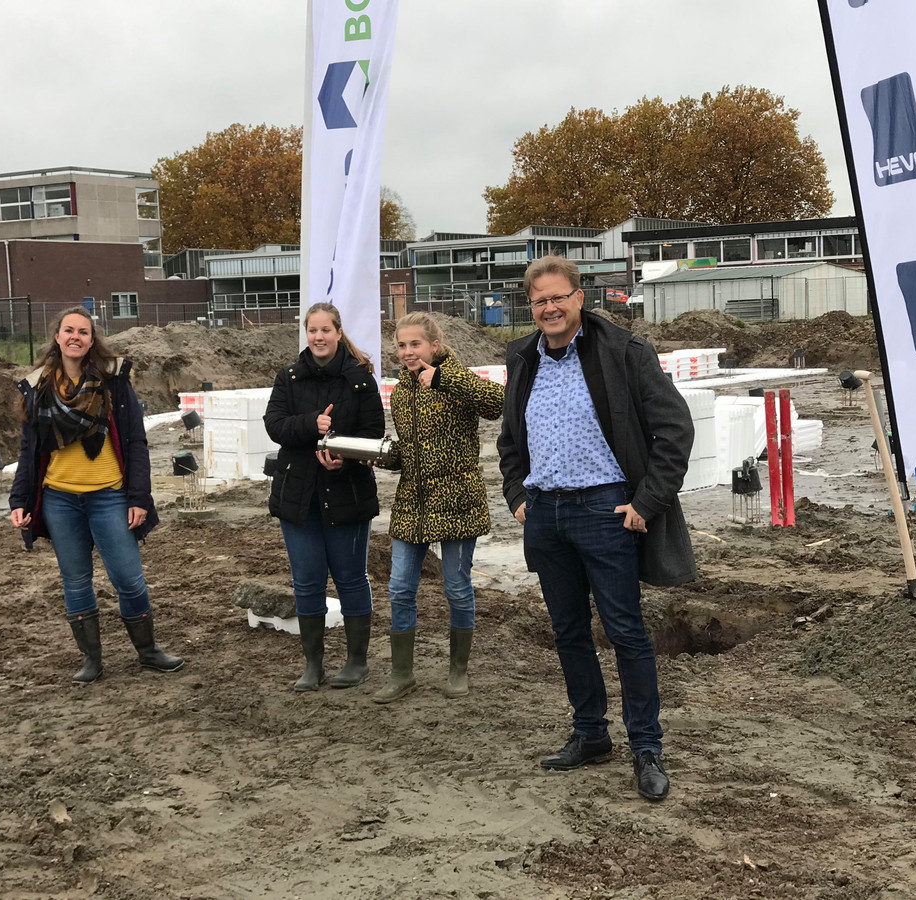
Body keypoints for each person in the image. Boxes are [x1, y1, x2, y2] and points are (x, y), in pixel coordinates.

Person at [497, 257, 696, 802]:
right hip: (545, 515)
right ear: (530, 306)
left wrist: (646, 503)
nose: (550, 308)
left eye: (558, 297)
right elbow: (510, 440)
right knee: (568, 632)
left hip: (606, 512)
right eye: (539, 301)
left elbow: (674, 429)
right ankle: (590, 734)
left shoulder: (624, 353)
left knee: (626, 632)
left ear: (580, 298)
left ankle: (646, 748)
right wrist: (518, 497)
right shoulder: (522, 358)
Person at [9, 306, 183, 684]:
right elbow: (29, 451)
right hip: (59, 500)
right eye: (68, 330)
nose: (75, 337)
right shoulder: (37, 388)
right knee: (75, 581)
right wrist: (20, 501)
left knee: (129, 578)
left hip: (110, 496)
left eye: (83, 332)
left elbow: (136, 442)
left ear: (92, 340)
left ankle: (149, 651)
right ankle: (92, 659)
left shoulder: (113, 382)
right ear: (57, 337)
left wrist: (138, 497)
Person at [372, 312, 504, 704]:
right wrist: (379, 456)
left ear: (435, 345)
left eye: (415, 344)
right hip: (413, 502)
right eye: (402, 345)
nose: (408, 351)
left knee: (457, 588)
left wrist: (445, 377)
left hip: (458, 499)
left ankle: (458, 671)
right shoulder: (401, 392)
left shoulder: (455, 377)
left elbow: (497, 404)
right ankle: (401, 674)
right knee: (399, 588)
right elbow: (407, 454)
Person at [264, 302, 385, 691]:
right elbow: (275, 425)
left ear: (337, 332)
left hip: (347, 491)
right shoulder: (289, 376)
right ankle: (313, 665)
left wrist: (342, 462)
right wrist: (310, 424)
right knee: (307, 581)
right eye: (312, 330)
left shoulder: (360, 379)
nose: (318, 337)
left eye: (325, 330)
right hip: (299, 497)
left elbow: (373, 436)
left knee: (350, 579)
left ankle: (355, 661)